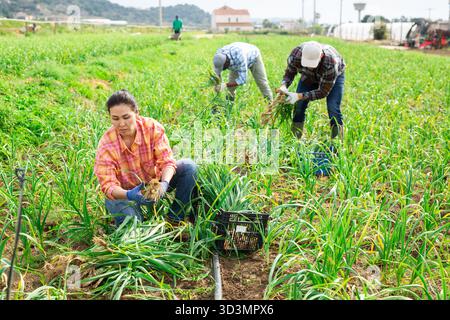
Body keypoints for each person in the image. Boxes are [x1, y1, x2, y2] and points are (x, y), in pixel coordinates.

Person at [94, 90, 197, 226]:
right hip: (125, 194)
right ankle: (133, 217)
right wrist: (130, 195)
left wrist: (165, 183)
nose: (121, 124)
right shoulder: (107, 144)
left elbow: (167, 161)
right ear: (110, 117)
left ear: (136, 113)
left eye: (126, 117)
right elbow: (108, 186)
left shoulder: (151, 128)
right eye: (115, 118)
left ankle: (174, 220)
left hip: (153, 184)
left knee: (188, 167)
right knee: (133, 224)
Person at [277, 41, 346, 141]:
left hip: (332, 77)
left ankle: (337, 143)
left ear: (321, 55)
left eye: (312, 64)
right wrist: (284, 85)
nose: (309, 66)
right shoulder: (296, 54)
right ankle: (295, 139)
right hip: (308, 76)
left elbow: (322, 92)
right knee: (299, 106)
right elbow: (289, 72)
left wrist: (298, 96)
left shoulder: (331, 62)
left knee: (333, 107)